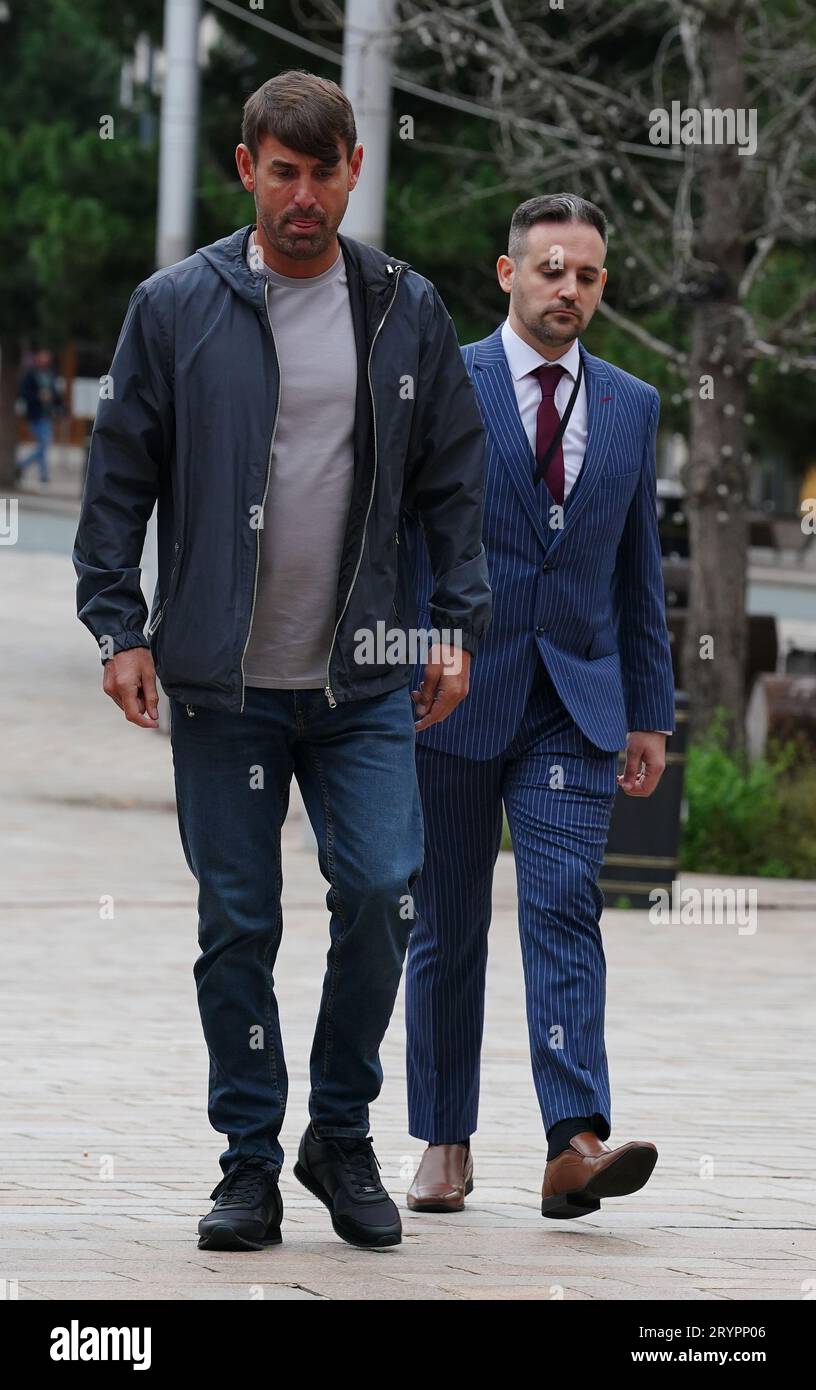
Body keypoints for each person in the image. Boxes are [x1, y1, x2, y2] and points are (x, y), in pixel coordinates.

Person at [73, 70, 490, 1252]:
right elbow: (119, 481)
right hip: (223, 681)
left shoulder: (405, 309)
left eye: (326, 171)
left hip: (362, 678)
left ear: (356, 168)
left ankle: (340, 1132)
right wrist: (121, 628)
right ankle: (249, 1162)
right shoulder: (176, 307)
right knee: (238, 923)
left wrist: (454, 622)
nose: (305, 196)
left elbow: (454, 485)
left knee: (382, 891)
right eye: (283, 171)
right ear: (248, 170)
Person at [404, 193, 675, 1220]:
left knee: (563, 901)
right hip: (451, 696)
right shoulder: (447, 381)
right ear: (507, 273)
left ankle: (574, 1137)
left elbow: (636, 573)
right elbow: (406, 538)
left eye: (589, 275)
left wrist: (650, 709)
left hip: (576, 701)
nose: (569, 287)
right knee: (449, 923)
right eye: (551, 268)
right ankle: (444, 1138)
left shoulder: (635, 405)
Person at [17, 348, 63, 485]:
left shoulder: (51, 374)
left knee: (43, 445)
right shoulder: (31, 374)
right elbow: (24, 393)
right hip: (35, 414)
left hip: (47, 415)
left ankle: (38, 473)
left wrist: (57, 403)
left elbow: (56, 395)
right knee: (43, 445)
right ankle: (24, 466)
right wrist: (38, 396)